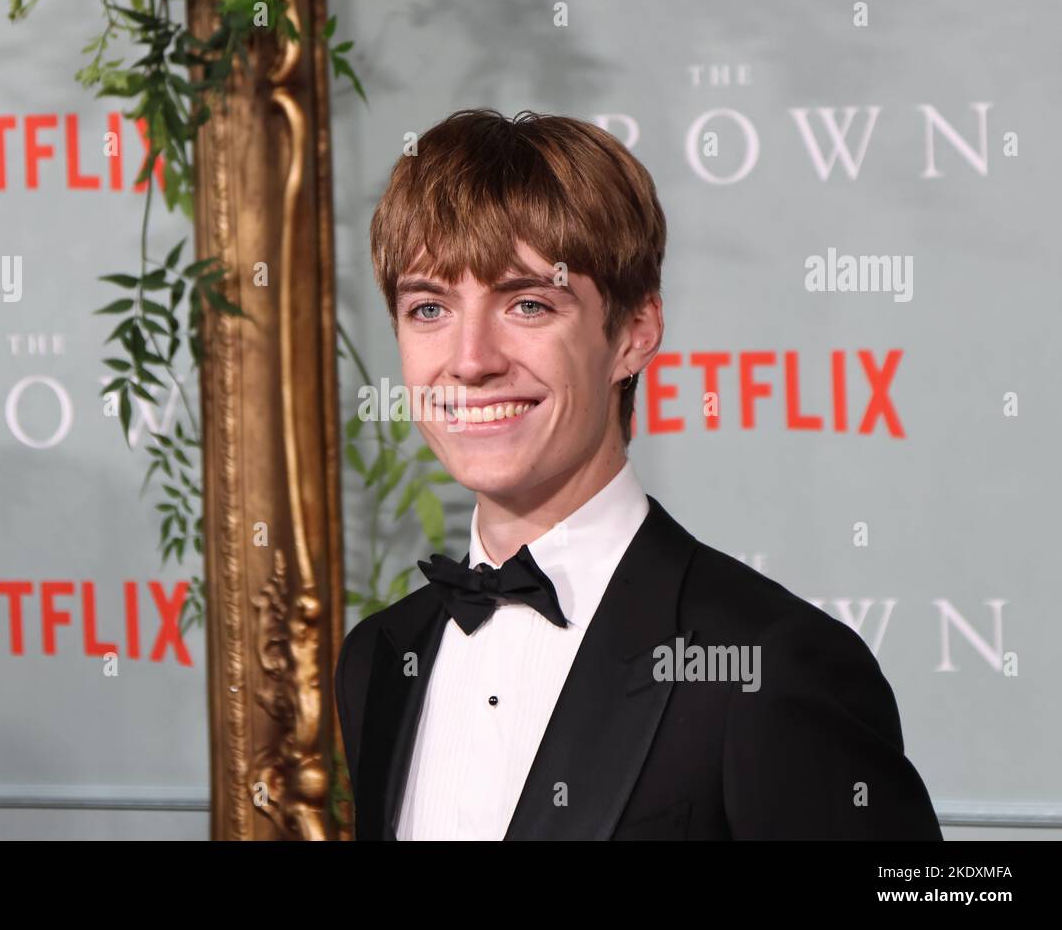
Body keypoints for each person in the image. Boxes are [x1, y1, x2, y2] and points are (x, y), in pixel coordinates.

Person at [334, 108, 942, 840]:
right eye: (429, 307)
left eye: (527, 303)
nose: (470, 359)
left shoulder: (767, 662)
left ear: (634, 334)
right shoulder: (378, 660)